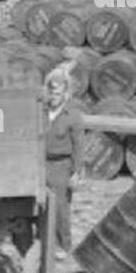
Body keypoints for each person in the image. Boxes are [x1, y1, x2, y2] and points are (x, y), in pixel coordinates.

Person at [43, 70, 85, 257]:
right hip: (42, 163)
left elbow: (78, 145)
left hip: (61, 165)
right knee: (42, 205)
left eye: (58, 93)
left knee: (60, 207)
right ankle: (46, 242)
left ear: (65, 94)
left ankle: (64, 245)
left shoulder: (72, 115)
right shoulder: (41, 111)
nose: (54, 97)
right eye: (51, 92)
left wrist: (76, 172)